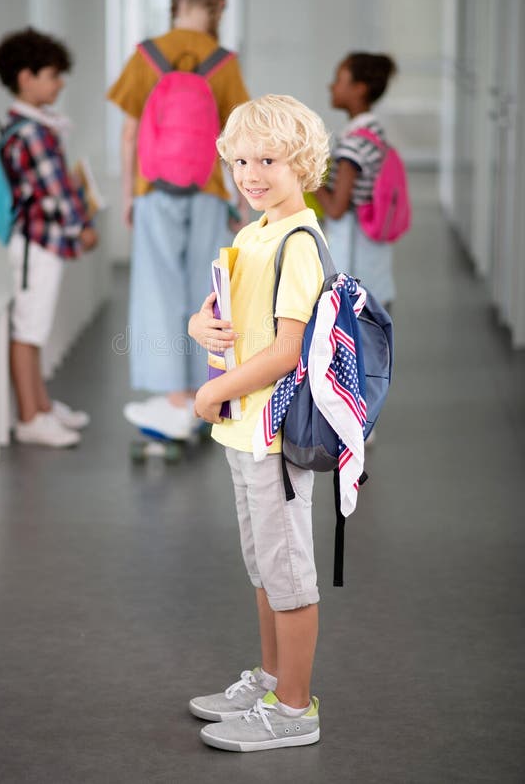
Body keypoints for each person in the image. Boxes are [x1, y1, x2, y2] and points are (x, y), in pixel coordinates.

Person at [187, 94, 331, 752]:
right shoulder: (253, 233)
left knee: (290, 574)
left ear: (300, 162)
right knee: (264, 568)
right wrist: (199, 325)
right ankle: (272, 681)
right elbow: (226, 313)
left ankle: (295, 710)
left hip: (272, 433)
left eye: (268, 159)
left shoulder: (298, 239)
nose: (251, 172)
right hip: (244, 430)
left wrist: (211, 390)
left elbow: (285, 351)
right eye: (241, 159)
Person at [106, 0, 250, 440]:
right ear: (216, 8)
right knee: (206, 291)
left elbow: (129, 133)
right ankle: (198, 396)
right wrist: (241, 198)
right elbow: (236, 139)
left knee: (157, 287)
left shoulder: (147, 55)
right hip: (207, 190)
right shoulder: (224, 62)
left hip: (155, 189)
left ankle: (170, 401)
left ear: (176, 3)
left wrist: (128, 195)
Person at [0, 26, 98, 448]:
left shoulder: (30, 125)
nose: (60, 83)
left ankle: (41, 406)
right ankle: (30, 416)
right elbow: (55, 190)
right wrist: (82, 226)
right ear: (26, 78)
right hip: (38, 243)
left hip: (38, 241)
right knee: (28, 330)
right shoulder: (34, 131)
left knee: (35, 328)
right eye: (53, 75)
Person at [316, 52, 398, 311]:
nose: (331, 86)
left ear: (359, 89)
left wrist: (308, 177)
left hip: (352, 253)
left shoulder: (353, 144)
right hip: (371, 252)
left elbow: (336, 208)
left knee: (357, 329)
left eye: (339, 80)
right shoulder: (373, 132)